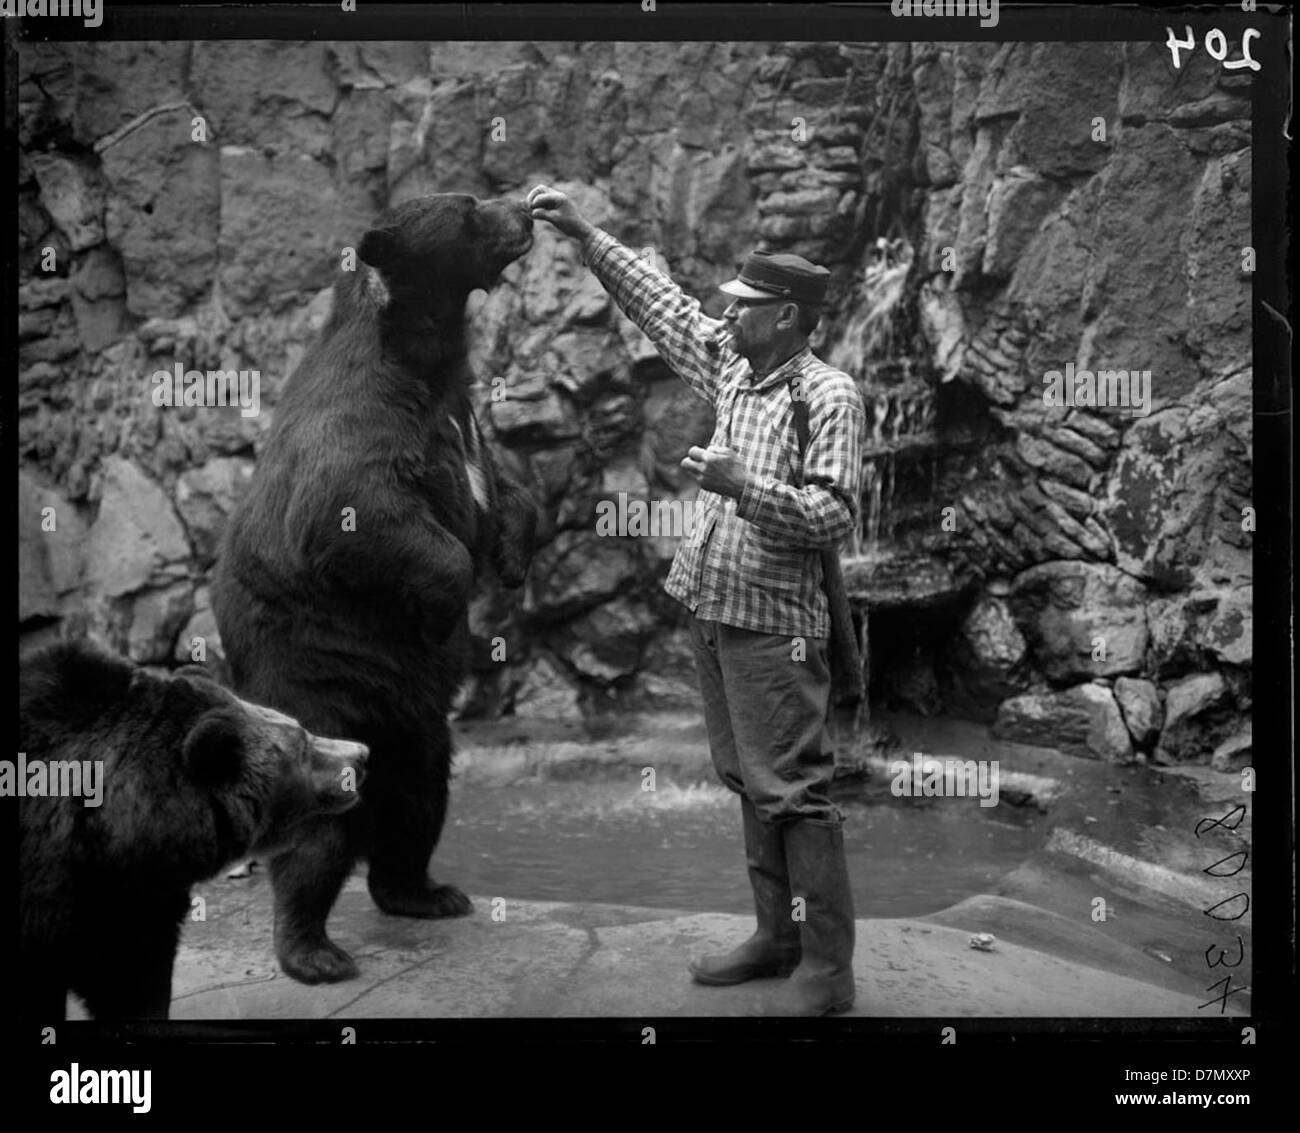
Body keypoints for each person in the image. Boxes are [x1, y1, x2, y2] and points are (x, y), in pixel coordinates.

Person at [528, 184, 866, 1016]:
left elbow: (834, 512)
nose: (731, 315)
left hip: (777, 626)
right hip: (712, 609)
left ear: (785, 315)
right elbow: (660, 304)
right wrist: (585, 234)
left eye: (748, 305)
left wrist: (743, 485)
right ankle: (776, 937)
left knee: (793, 788)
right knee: (748, 780)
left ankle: (828, 968)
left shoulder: (828, 396)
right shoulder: (731, 361)